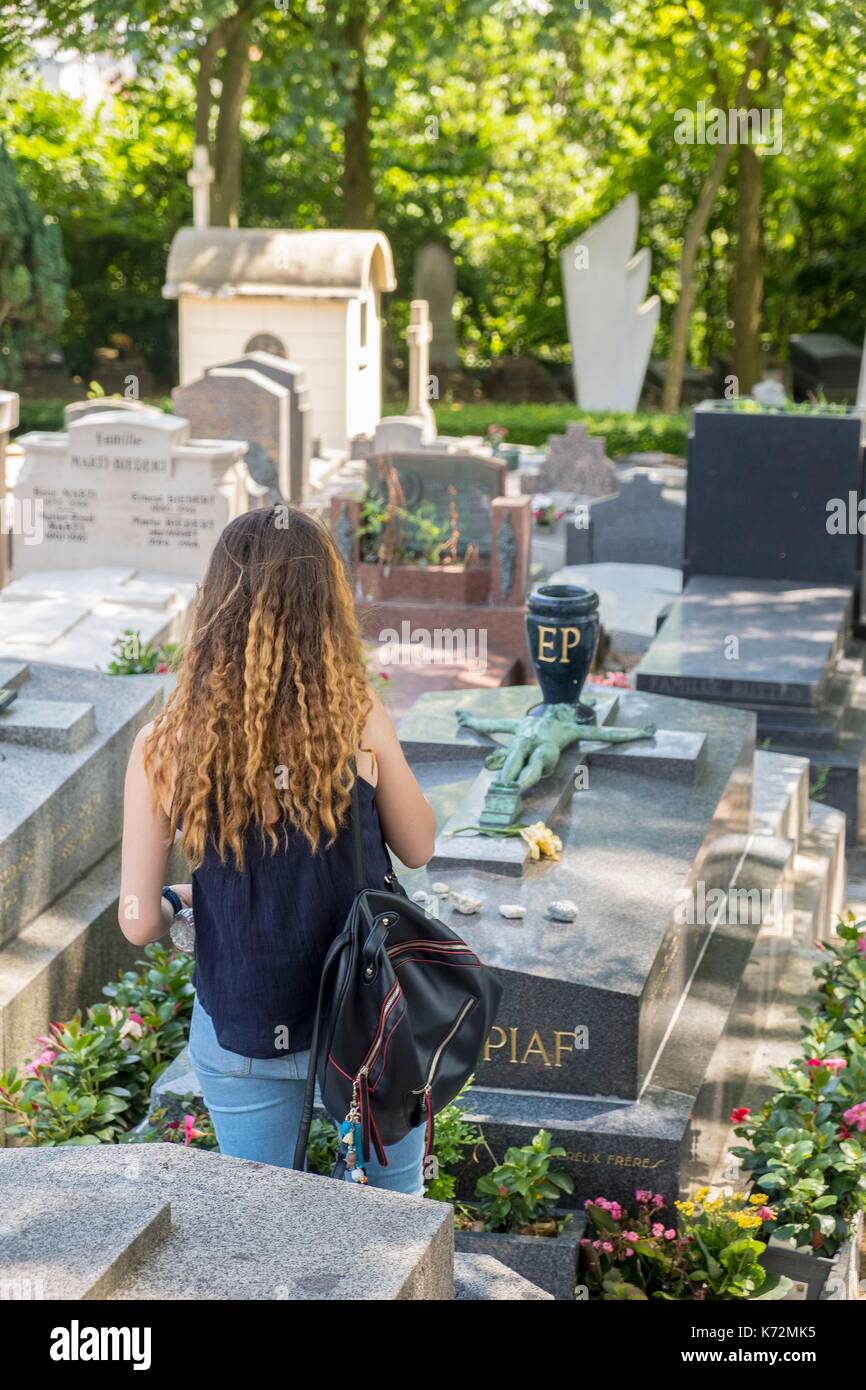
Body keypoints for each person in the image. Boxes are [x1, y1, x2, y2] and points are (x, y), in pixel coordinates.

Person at [119, 505, 437, 1194]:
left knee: (269, 1232)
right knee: (398, 1223)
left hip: (245, 1022)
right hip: (367, 1018)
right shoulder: (356, 716)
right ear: (326, 603)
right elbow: (418, 845)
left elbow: (140, 920)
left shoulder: (166, 743)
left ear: (216, 604)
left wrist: (184, 897)